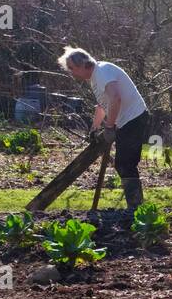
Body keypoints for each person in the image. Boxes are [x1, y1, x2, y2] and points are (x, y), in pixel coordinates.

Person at [57, 46, 150, 210]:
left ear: (82, 64)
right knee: (124, 164)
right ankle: (135, 207)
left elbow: (116, 98)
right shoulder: (96, 76)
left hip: (134, 119)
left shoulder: (102, 72)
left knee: (125, 163)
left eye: (72, 69)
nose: (72, 73)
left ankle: (136, 207)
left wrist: (109, 126)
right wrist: (95, 128)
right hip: (127, 121)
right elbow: (102, 105)